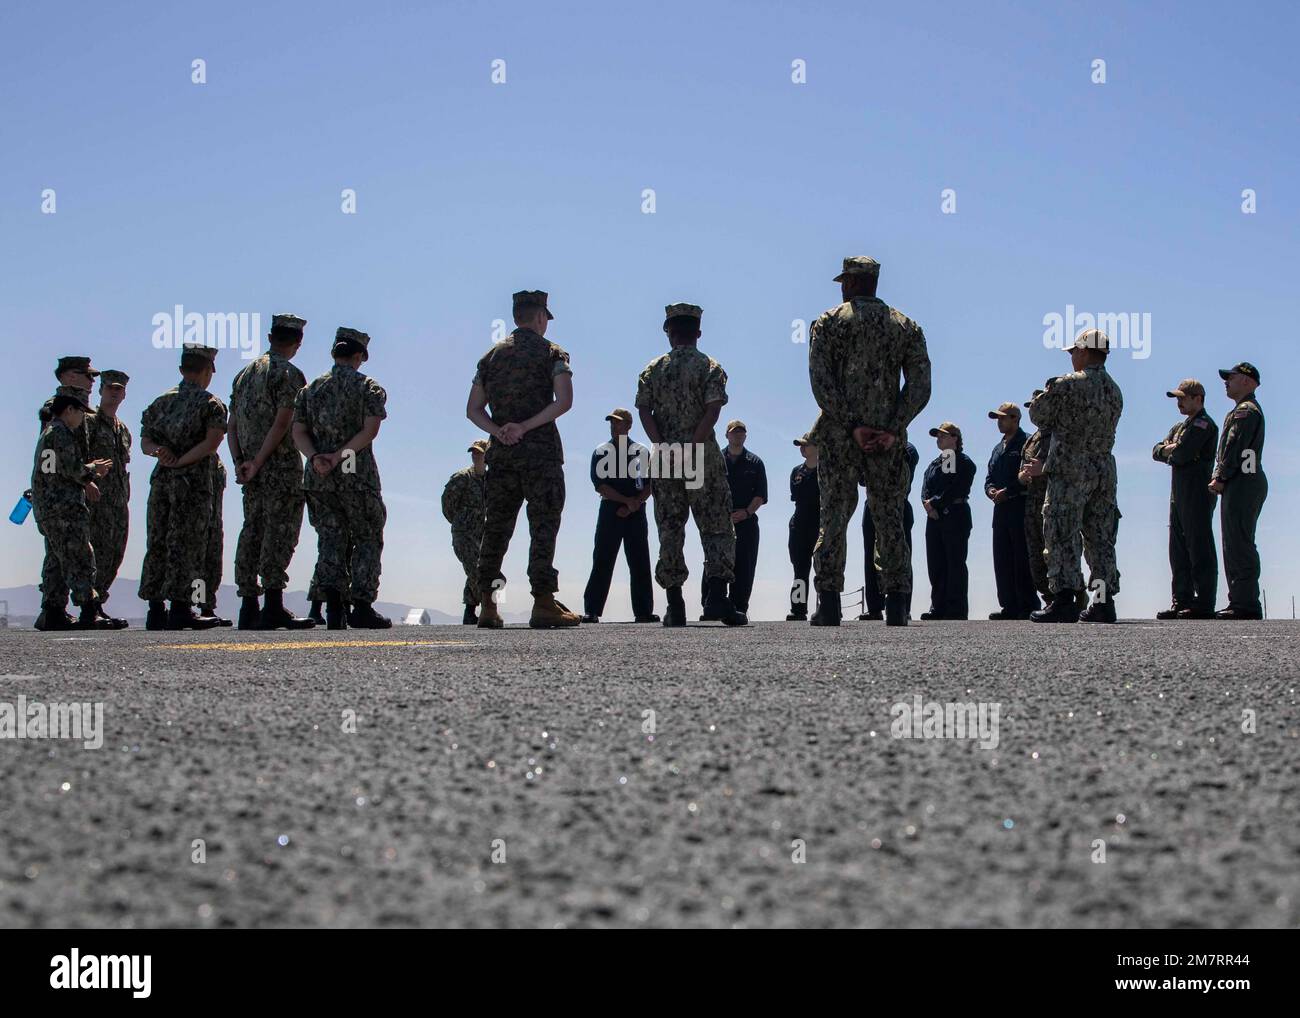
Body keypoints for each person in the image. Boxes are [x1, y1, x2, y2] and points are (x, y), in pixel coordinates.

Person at [808, 256, 931, 626]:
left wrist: (851, 425)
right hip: (887, 441)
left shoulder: (829, 322)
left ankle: (828, 603)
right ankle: (897, 604)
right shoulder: (905, 326)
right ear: (875, 283)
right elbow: (921, 385)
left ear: (848, 283)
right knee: (890, 517)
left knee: (834, 516)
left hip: (841, 438)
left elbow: (820, 380)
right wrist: (893, 427)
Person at [467, 290, 579, 629]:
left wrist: (501, 431)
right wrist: (526, 427)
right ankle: (543, 602)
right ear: (541, 317)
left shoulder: (490, 358)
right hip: (541, 453)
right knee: (543, 526)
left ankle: (488, 604)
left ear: (516, 317)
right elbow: (564, 400)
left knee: (497, 528)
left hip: (501, 456)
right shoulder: (551, 352)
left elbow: (472, 410)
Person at [636, 302, 746, 627]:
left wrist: (663, 445)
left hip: (666, 459)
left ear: (668, 332)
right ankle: (717, 598)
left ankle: (675, 605)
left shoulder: (652, 370)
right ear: (698, 332)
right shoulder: (710, 366)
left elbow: (644, 411)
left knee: (670, 527)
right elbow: (713, 411)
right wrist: (693, 445)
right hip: (702, 457)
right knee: (716, 526)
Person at [293, 327, 391, 630]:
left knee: (330, 539)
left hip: (319, 476)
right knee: (367, 537)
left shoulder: (309, 391)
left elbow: (298, 431)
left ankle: (334, 607)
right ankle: (361, 606)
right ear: (359, 355)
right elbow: (370, 429)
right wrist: (340, 457)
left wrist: (316, 457)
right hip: (355, 474)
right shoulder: (368, 387)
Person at [1028, 329, 1124, 624]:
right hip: (1103, 469)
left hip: (1071, 468)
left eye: (1073, 352)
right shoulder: (1114, 390)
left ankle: (1065, 599)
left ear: (1083, 351)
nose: (1071, 357)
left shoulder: (1067, 385)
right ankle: (1102, 603)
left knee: (1062, 532)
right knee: (1100, 536)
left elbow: (1038, 416)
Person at [229, 313, 315, 630]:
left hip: (251, 469)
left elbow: (233, 423)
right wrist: (261, 460)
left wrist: (241, 461)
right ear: (298, 342)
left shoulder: (243, 375)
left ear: (270, 337)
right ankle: (273, 605)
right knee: (279, 533)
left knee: (252, 531)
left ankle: (248, 605)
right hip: (277, 467)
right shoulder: (289, 374)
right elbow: (283, 422)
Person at [138, 344, 227, 630]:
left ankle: (155, 609)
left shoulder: (160, 403)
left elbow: (145, 444)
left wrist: (162, 453)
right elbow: (211, 443)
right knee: (188, 542)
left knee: (159, 539)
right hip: (194, 483)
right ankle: (181, 607)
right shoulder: (211, 404)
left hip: (162, 481)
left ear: (181, 370)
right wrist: (182, 461)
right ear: (207, 371)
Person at [31, 393, 114, 630]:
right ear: (69, 410)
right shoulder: (60, 433)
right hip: (63, 508)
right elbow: (71, 468)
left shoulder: (49, 432)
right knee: (79, 556)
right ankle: (89, 608)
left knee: (57, 560)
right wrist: (94, 470)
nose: (81, 419)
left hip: (50, 508)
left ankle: (53, 611)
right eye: (80, 413)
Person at [581, 409, 657, 623]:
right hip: (610, 511)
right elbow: (600, 485)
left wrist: (635, 504)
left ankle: (643, 611)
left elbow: (651, 483)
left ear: (629, 425)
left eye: (619, 423)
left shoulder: (641, 452)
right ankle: (592, 609)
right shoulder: (602, 451)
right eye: (612, 423)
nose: (614, 427)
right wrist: (626, 502)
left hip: (636, 511)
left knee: (640, 561)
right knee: (603, 559)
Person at [1152, 378, 1218, 619]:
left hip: (1197, 492)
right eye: (1177, 398)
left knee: (1199, 547)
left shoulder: (1203, 424)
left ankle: (1204, 601)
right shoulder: (1180, 427)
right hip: (1178, 493)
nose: (1178, 402)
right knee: (1177, 548)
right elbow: (1156, 450)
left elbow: (1182, 454)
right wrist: (1168, 449)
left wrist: (1171, 449)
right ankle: (1182, 599)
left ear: (1197, 399)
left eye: (1183, 397)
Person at [1210, 362, 1266, 620]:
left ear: (1247, 381)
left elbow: (1235, 447)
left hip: (1242, 480)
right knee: (1234, 541)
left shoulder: (1246, 411)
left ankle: (1245, 603)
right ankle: (1240, 600)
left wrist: (1221, 476)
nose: (1226, 381)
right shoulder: (1241, 410)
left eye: (1231, 377)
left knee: (1239, 541)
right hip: (1242, 479)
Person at [700, 420, 766, 618]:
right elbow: (705, 490)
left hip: (746, 519)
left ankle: (739, 607)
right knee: (714, 561)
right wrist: (719, 515)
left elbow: (760, 495)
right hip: (719, 521)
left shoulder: (755, 462)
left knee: (744, 565)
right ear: (726, 435)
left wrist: (746, 512)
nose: (738, 435)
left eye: (741, 432)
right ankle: (711, 606)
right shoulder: (715, 460)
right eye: (734, 432)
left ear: (745, 436)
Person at [84, 369, 132, 627]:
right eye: (110, 388)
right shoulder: (88, 423)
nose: (114, 392)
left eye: (119, 389)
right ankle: (88, 606)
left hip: (118, 502)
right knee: (93, 552)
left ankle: (99, 601)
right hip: (95, 500)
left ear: (124, 394)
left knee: (114, 553)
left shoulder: (123, 430)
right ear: (101, 391)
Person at [985, 402, 1040, 619]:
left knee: (1021, 555)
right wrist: (990, 490)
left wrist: (1007, 491)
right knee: (1002, 556)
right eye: (998, 418)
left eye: (1003, 418)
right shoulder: (998, 448)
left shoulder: (1025, 443)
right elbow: (989, 476)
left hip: (1018, 505)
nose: (999, 422)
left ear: (1015, 419)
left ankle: (1026, 603)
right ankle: (1009, 605)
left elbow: (1026, 475)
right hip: (1000, 508)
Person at [919, 423, 976, 620]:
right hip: (934, 518)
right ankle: (939, 606)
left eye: (943, 436)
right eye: (938, 436)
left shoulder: (962, 461)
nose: (939, 439)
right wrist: (928, 505)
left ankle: (955, 608)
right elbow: (926, 487)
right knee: (936, 563)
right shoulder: (935, 463)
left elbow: (954, 487)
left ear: (955, 438)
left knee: (954, 562)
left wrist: (935, 503)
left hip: (954, 515)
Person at [859, 441, 919, 620]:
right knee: (870, 556)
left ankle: (902, 606)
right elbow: (862, 479)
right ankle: (875, 607)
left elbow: (897, 475)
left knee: (901, 555)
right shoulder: (870, 447)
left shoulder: (907, 449)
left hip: (897, 505)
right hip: (872, 505)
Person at [441, 439, 492, 624]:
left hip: (482, 534)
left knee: (478, 569)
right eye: (474, 452)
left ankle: (470, 611)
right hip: (463, 533)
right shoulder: (462, 478)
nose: (476, 455)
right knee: (476, 569)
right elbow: (447, 504)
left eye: (480, 452)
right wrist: (459, 522)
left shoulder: (490, 480)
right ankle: (483, 607)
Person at [1017, 391, 1052, 606]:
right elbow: (1021, 471)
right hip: (1032, 503)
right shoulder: (1031, 440)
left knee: (1054, 551)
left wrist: (1044, 469)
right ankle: (1048, 597)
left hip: (1052, 501)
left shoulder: (1059, 434)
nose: (1034, 411)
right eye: (1031, 406)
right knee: (1035, 554)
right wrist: (1023, 476)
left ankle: (1068, 595)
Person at [786, 434, 819, 621]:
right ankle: (798, 609)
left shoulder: (825, 471)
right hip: (799, 525)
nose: (802, 448)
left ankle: (830, 606)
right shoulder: (796, 472)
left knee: (825, 569)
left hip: (820, 523)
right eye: (800, 446)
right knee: (800, 570)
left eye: (806, 445)